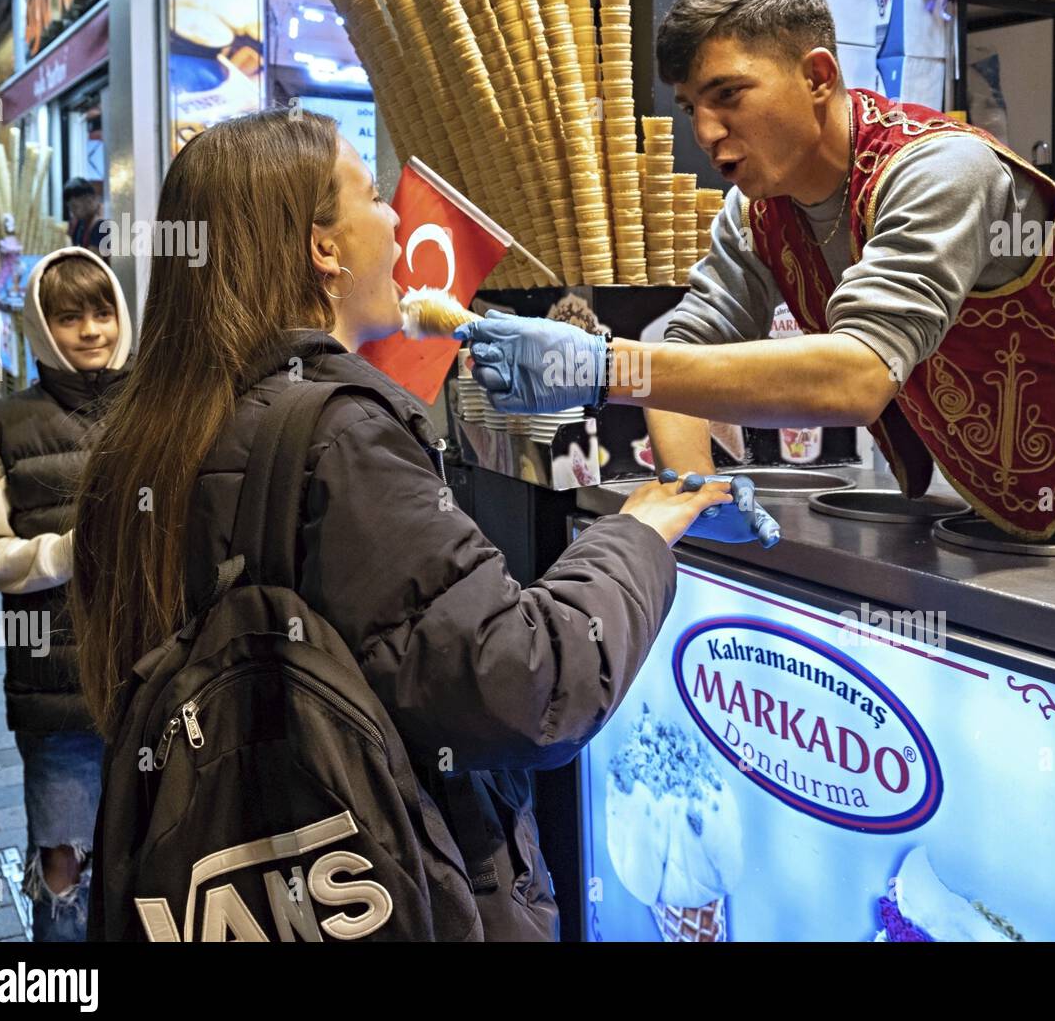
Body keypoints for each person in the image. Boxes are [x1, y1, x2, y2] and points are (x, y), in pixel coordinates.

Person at [68, 107, 733, 942]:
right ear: (324, 248)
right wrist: (635, 537)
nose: (395, 219)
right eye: (374, 195)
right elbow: (526, 683)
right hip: (392, 888)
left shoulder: (138, 437)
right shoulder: (342, 434)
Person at [459, 0, 1055, 539]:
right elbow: (686, 345)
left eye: (729, 96)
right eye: (692, 107)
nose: (707, 132)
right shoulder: (756, 212)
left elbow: (858, 374)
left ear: (818, 75)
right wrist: (695, 495)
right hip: (1039, 507)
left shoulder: (939, 170)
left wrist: (603, 366)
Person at [0, 246, 133, 941]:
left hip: (150, 683)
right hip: (56, 691)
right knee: (64, 866)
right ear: (39, 325)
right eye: (69, 316)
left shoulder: (153, 405)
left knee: (147, 857)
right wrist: (58, 554)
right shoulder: (9, 424)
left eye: (102, 311)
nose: (91, 330)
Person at [63, 178, 109, 256]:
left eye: (75, 206)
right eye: (70, 207)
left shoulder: (101, 226)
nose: (72, 211)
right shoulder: (79, 224)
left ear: (90, 200)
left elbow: (92, 261)